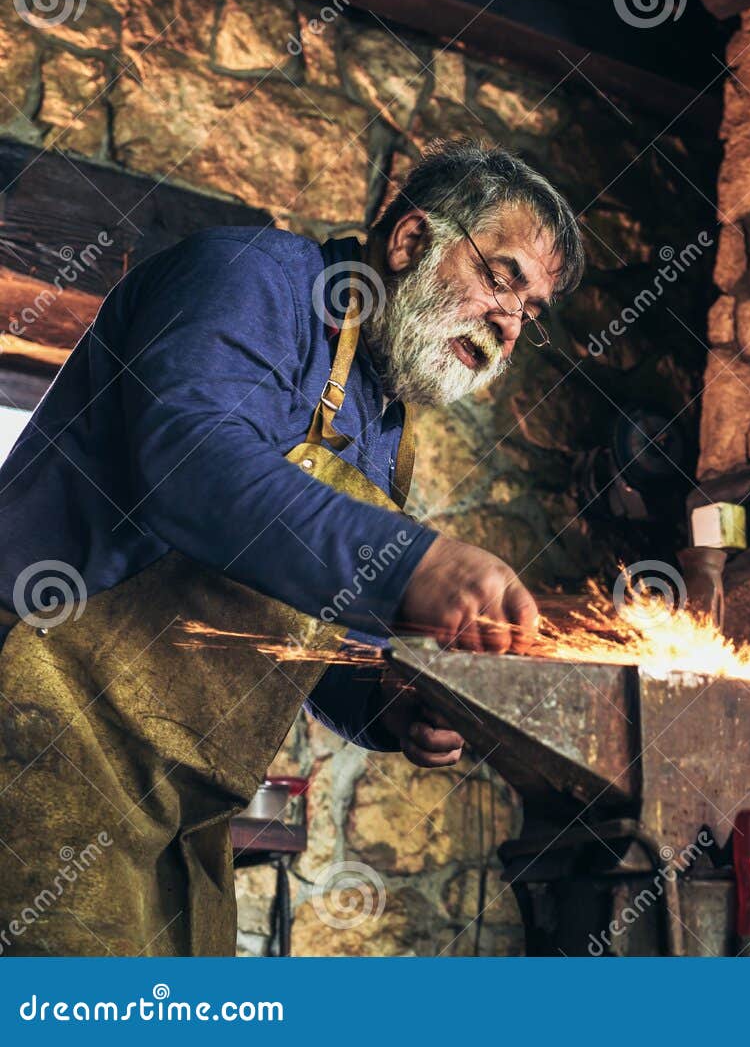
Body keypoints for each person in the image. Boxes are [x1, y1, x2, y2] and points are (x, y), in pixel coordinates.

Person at [0, 140, 582, 954]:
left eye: (532, 311)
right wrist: (418, 560)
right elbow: (190, 461)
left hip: (170, 814)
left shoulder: (384, 428)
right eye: (502, 277)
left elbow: (322, 638)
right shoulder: (252, 277)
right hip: (35, 736)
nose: (511, 322)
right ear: (412, 241)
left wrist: (392, 703)